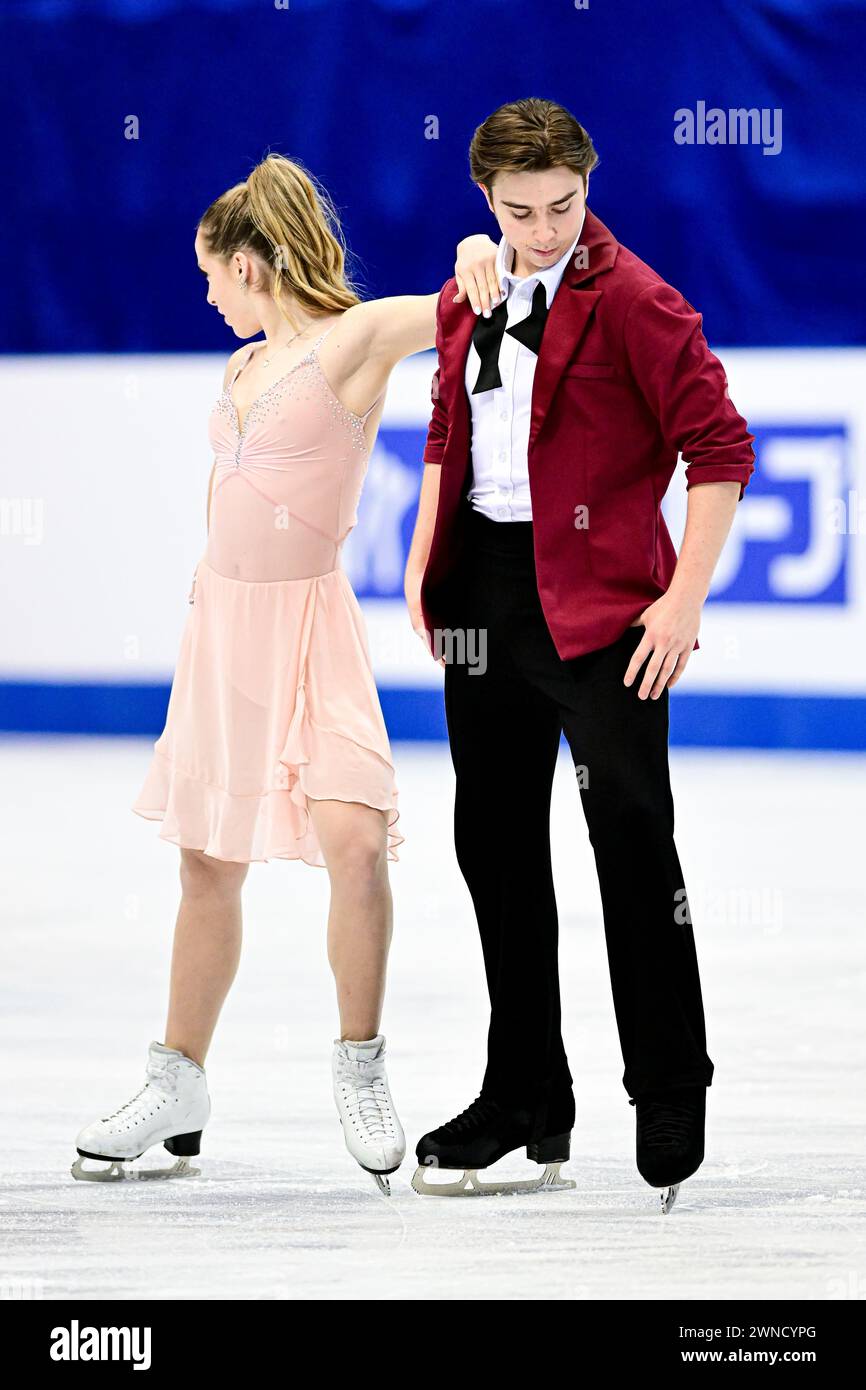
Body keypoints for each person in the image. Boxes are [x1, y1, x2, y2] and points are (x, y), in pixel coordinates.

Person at [71, 152, 498, 1194]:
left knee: (354, 842)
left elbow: (442, 311)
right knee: (205, 864)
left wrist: (479, 251)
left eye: (212, 273)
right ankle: (176, 1082)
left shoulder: (346, 345)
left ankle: (359, 1062)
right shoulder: (242, 367)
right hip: (221, 631)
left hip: (311, 632)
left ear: (254, 265)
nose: (206, 293)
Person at [405, 99, 755, 1210]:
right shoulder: (474, 290)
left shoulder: (640, 303)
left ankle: (666, 1080)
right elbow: (443, 428)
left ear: (587, 186)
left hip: (606, 614)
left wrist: (681, 600)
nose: (546, 227)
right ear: (484, 200)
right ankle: (522, 1095)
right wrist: (427, 569)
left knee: (631, 845)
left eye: (563, 206)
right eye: (519, 211)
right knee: (494, 849)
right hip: (484, 599)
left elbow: (718, 446)